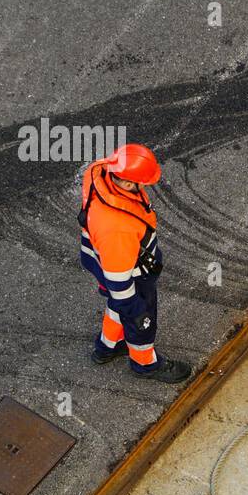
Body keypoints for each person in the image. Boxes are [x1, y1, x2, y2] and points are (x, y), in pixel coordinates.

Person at [78, 144, 191, 383]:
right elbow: (120, 285)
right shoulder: (117, 228)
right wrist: (137, 312)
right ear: (128, 184)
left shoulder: (99, 173)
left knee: (115, 306)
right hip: (130, 274)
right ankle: (145, 364)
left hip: (101, 260)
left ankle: (108, 346)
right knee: (139, 318)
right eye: (143, 183)